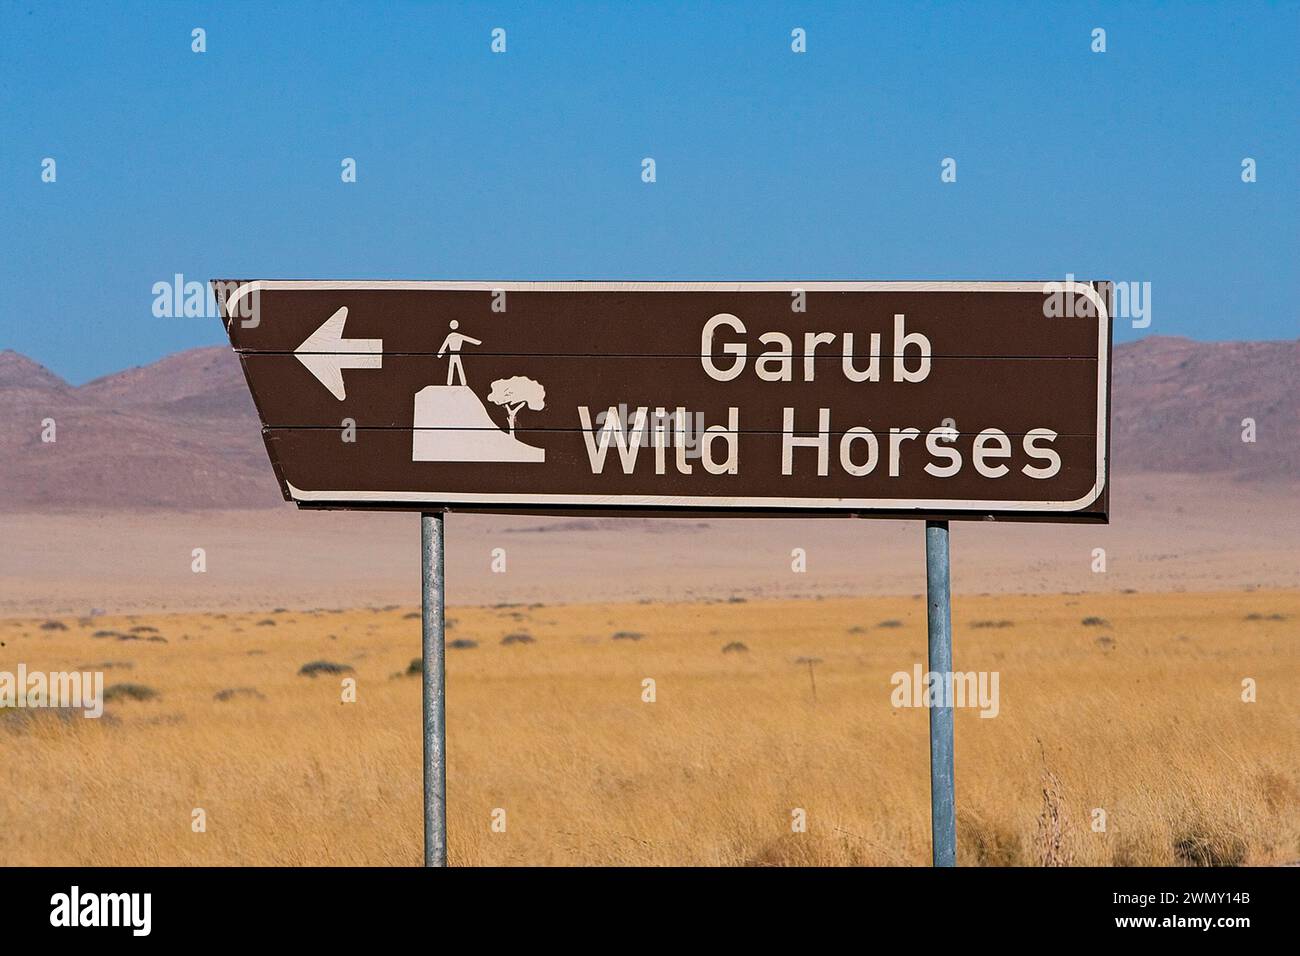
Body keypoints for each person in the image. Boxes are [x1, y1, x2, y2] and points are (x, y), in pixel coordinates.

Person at [436, 320, 482, 387]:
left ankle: (450, 383)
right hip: (456, 354)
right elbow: (470, 340)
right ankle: (462, 383)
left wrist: (440, 354)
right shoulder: (458, 336)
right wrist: (478, 342)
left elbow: (444, 346)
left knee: (452, 368)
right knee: (457, 368)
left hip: (453, 354)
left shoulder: (450, 336)